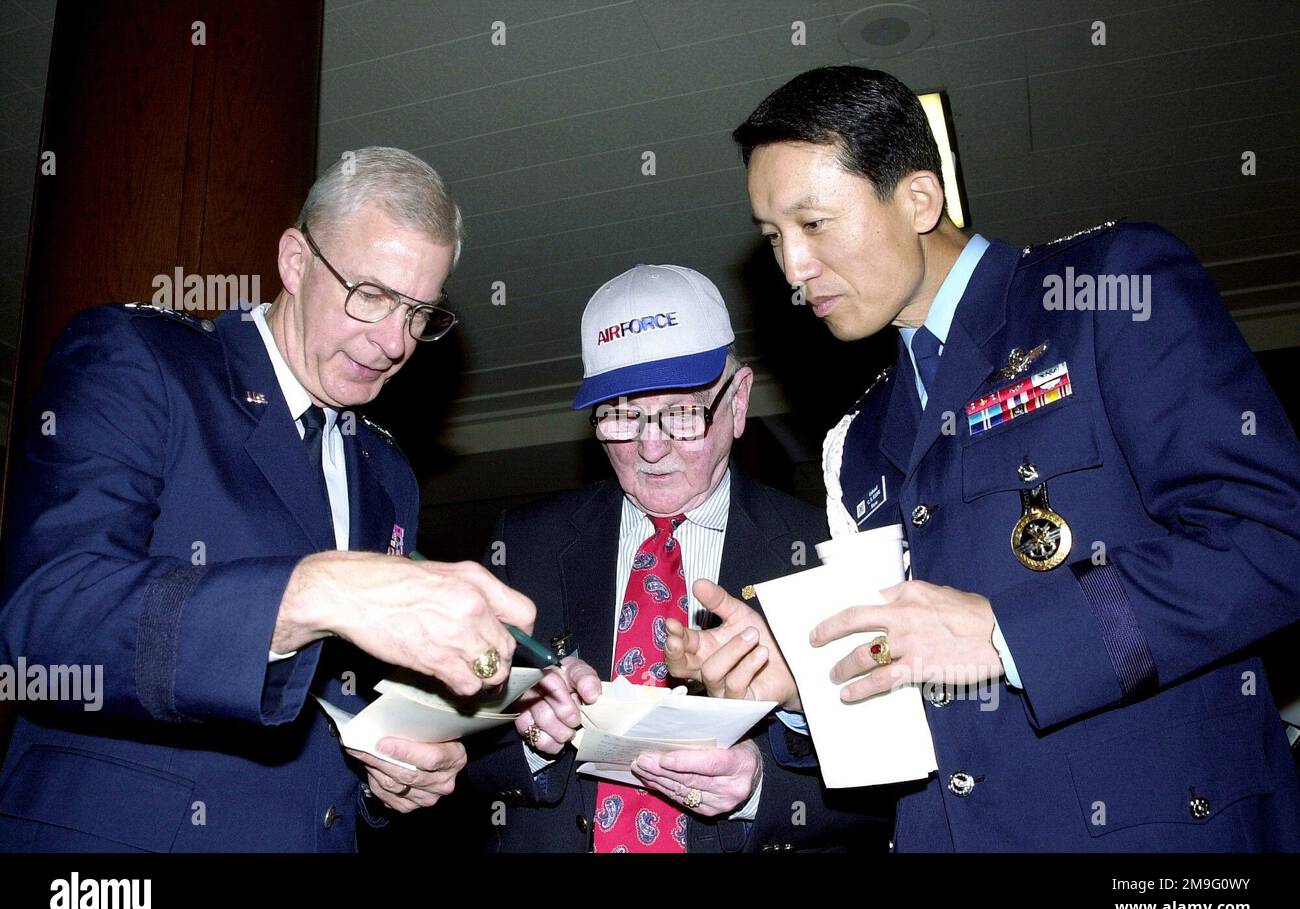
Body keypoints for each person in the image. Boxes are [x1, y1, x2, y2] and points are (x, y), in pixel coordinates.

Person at [666, 66, 1300, 851]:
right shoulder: (857, 440)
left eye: (815, 224)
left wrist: (1005, 634)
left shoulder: (1102, 290)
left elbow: (1274, 540)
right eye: (773, 239)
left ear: (921, 199)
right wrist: (807, 688)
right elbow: (912, 706)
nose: (792, 269)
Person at [0, 147, 535, 852]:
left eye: (418, 314)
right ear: (294, 261)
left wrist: (388, 775)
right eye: (370, 296)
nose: (392, 342)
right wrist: (312, 591)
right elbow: (45, 617)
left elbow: (338, 709)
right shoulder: (141, 359)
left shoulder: (387, 472)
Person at [454, 264, 892, 852]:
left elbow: (890, 793)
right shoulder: (524, 545)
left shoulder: (821, 553)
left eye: (683, 413)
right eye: (621, 415)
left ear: (737, 403)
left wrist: (761, 785)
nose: (650, 446)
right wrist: (531, 738)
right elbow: (452, 758)